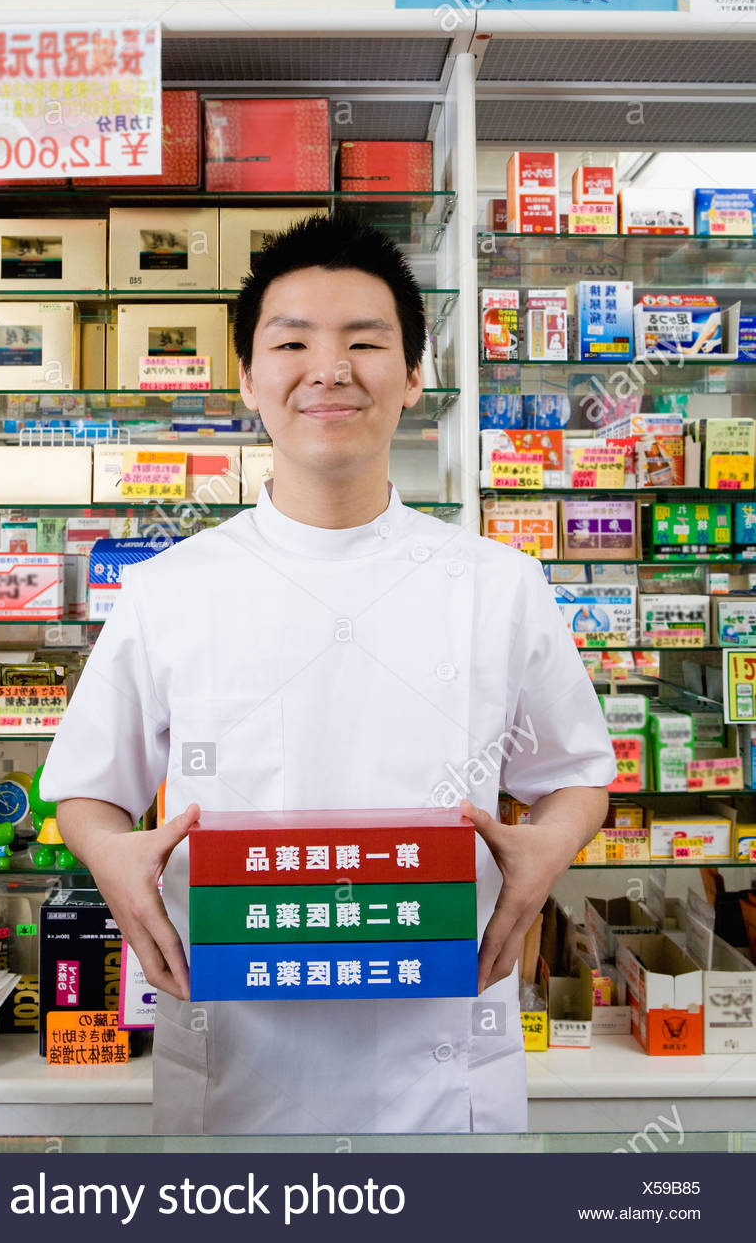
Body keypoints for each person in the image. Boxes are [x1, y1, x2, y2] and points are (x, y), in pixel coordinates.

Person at [40, 213, 613, 1134]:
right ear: (248, 379)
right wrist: (110, 859)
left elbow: (577, 774)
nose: (329, 369)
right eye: (293, 341)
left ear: (414, 376)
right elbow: (85, 792)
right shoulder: (170, 589)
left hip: (439, 1062)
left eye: (364, 341)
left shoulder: (497, 584)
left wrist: (548, 850)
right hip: (239, 1057)